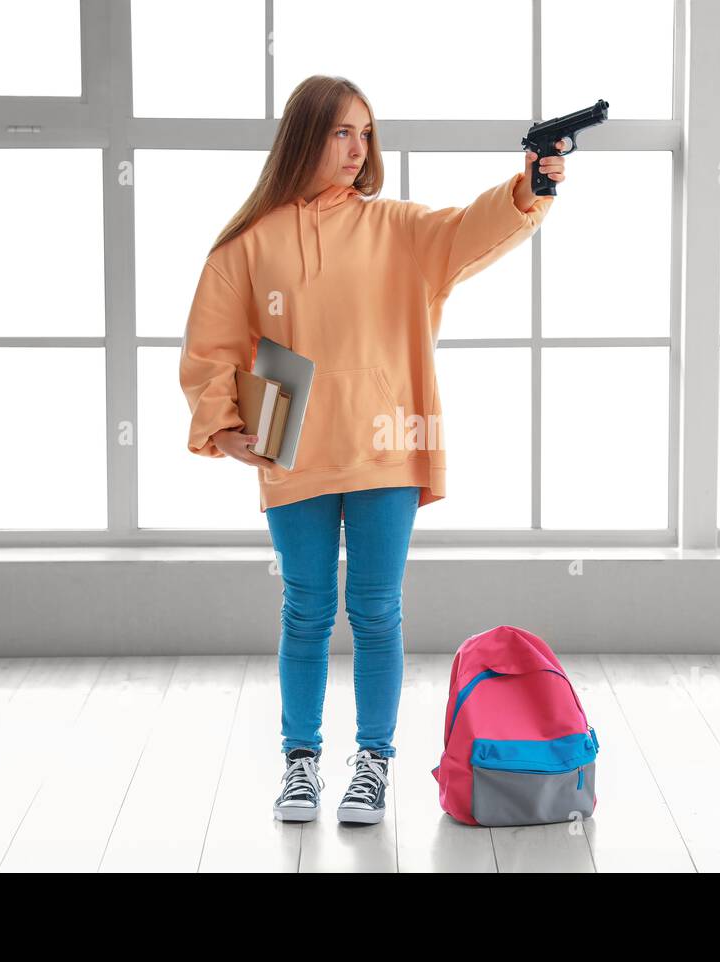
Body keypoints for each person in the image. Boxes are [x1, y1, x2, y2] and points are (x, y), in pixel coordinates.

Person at [178, 75, 569, 824]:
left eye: (365, 133)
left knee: (378, 611)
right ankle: (300, 763)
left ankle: (373, 763)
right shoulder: (248, 244)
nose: (357, 149)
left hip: (387, 439)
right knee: (306, 610)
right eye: (339, 133)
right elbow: (212, 345)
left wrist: (528, 184)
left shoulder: (396, 228)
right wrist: (224, 425)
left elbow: (466, 230)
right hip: (294, 448)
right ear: (304, 138)